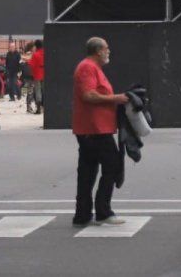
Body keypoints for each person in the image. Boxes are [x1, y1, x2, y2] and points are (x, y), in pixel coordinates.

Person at [71, 37, 129, 228]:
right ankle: (103, 211)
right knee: (112, 166)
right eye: (107, 48)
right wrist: (117, 98)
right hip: (95, 129)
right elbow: (89, 95)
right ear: (98, 51)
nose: (109, 51)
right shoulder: (88, 67)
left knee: (88, 171)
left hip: (93, 128)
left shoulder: (90, 67)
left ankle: (82, 214)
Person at [22, 40, 46, 115]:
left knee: (36, 91)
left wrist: (27, 61)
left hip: (35, 75)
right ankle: (40, 106)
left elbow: (31, 65)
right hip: (41, 75)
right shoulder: (44, 53)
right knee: (32, 90)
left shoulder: (35, 54)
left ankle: (37, 107)